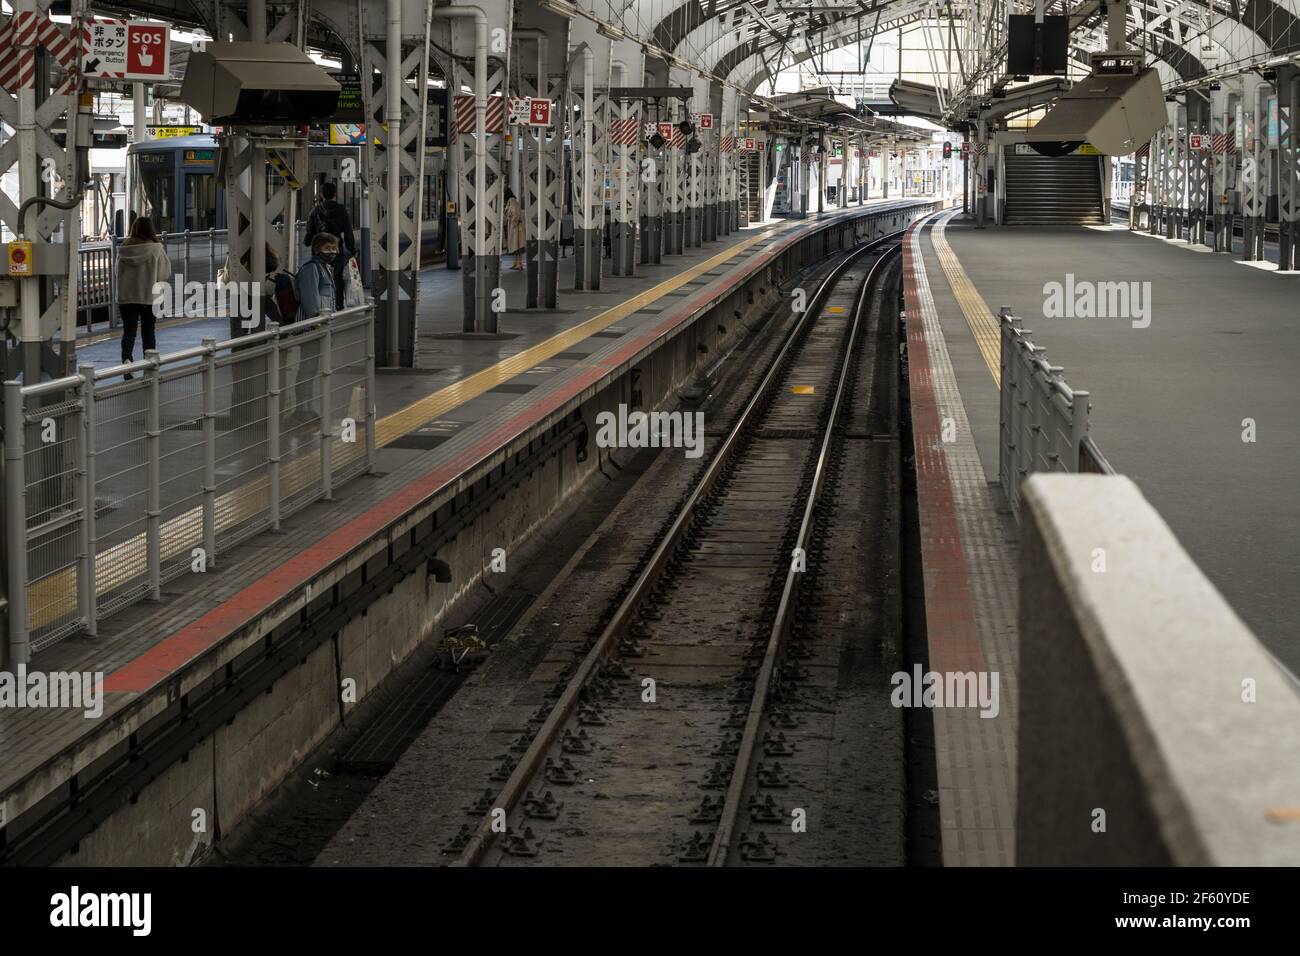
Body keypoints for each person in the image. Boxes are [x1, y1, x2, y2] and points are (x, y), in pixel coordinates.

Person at [115, 216, 171, 379]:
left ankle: (127, 363)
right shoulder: (156, 249)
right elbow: (164, 273)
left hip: (127, 297)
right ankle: (150, 366)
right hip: (149, 296)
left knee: (129, 333)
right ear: (150, 230)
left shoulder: (123, 249)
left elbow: (116, 272)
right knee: (148, 332)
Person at [292, 233, 339, 421]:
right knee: (307, 368)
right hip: (313, 327)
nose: (332, 252)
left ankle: (308, 408)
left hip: (322, 327)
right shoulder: (311, 269)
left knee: (311, 369)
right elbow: (310, 299)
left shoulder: (325, 268)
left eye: (334, 248)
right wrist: (316, 322)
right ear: (316, 249)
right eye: (327, 248)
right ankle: (301, 409)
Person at [304, 181, 356, 308]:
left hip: (319, 249)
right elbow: (348, 231)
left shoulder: (315, 211)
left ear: (321, 194)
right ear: (335, 194)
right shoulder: (341, 210)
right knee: (338, 276)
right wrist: (351, 249)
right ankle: (338, 304)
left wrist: (307, 241)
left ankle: (322, 304)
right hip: (335, 248)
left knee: (319, 276)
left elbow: (309, 231)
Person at [504, 188, 526, 270]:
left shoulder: (512, 201)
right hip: (515, 227)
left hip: (516, 228)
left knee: (517, 246)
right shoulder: (511, 201)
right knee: (516, 246)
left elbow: (515, 214)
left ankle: (519, 264)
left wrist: (513, 224)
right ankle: (516, 263)